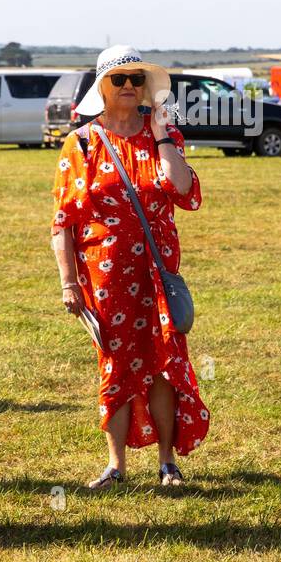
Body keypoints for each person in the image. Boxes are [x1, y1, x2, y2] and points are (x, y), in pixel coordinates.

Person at [51, 45, 209, 489]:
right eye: (118, 79)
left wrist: (161, 135)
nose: (127, 86)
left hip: (157, 273)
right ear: (101, 86)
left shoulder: (163, 138)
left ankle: (167, 463)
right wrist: (68, 283)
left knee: (163, 362)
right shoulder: (81, 142)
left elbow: (184, 191)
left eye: (136, 79)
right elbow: (63, 222)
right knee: (115, 364)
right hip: (105, 277)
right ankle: (116, 466)